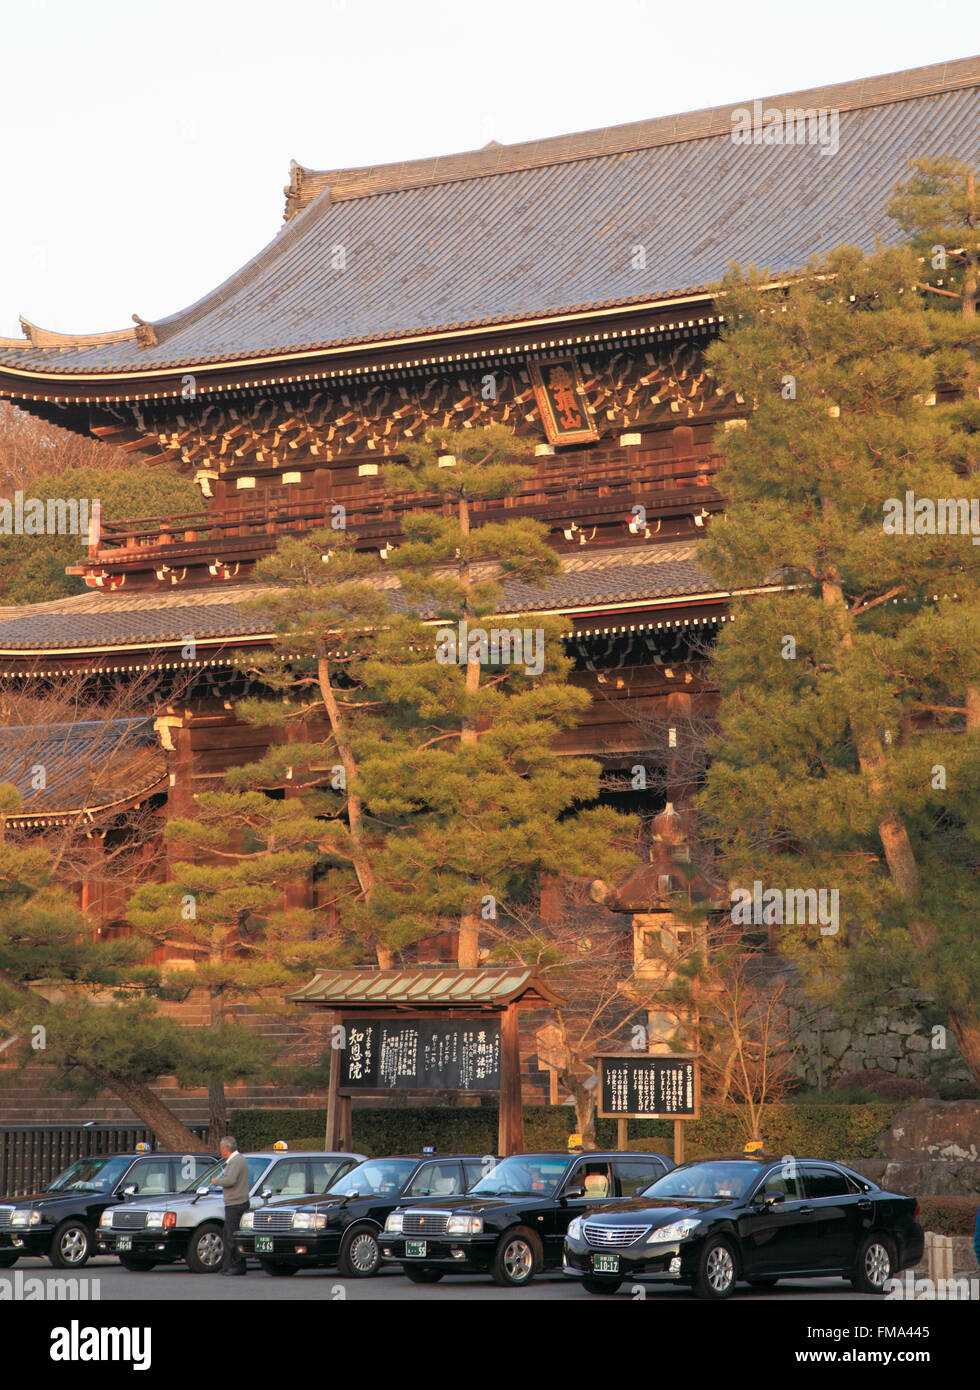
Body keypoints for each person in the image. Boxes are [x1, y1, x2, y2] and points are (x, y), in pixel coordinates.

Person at [215, 1136, 249, 1276]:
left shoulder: (235, 1161)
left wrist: (216, 1181)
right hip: (236, 1202)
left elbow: (230, 1180)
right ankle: (228, 1265)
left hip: (236, 1203)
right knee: (229, 1234)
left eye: (221, 1149)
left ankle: (236, 1266)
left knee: (232, 1236)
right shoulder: (239, 1160)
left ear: (225, 1149)